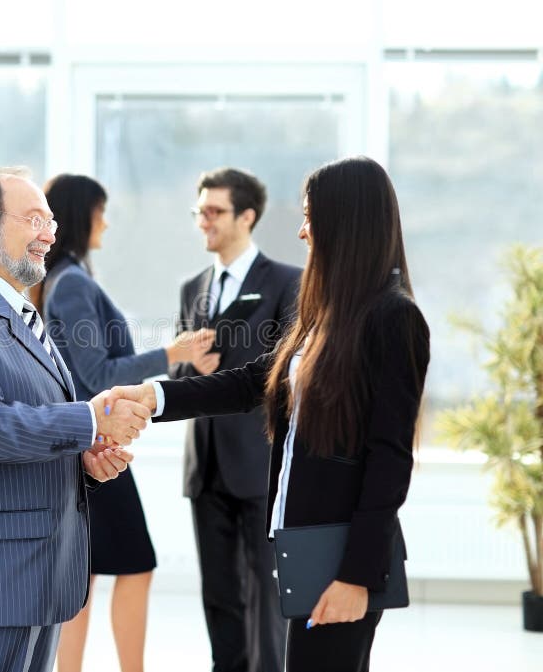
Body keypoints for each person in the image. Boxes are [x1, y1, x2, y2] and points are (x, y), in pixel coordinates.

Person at [106, 156, 431, 672]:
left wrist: (357, 576)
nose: (302, 232)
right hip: (304, 541)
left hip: (342, 556)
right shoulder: (325, 310)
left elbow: (390, 459)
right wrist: (154, 396)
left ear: (345, 219)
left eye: (309, 216)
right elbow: (254, 380)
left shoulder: (393, 317)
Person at [0, 167, 153, 672]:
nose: (49, 234)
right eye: (34, 219)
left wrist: (83, 458)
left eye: (52, 222)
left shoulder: (17, 312)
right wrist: (87, 421)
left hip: (31, 577)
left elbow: (23, 419)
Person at [34, 173, 215, 672]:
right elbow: (96, 375)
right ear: (81, 216)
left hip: (84, 442)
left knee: (86, 574)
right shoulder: (70, 283)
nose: (106, 223)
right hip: (94, 445)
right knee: (134, 566)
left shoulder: (64, 279)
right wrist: (170, 353)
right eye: (100, 212)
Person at [169, 167, 300, 672]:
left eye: (214, 211)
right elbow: (183, 371)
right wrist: (185, 364)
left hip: (259, 463)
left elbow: (286, 373)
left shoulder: (289, 283)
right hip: (205, 468)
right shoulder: (192, 288)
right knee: (220, 597)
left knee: (269, 597)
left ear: (247, 216)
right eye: (199, 211)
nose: (204, 221)